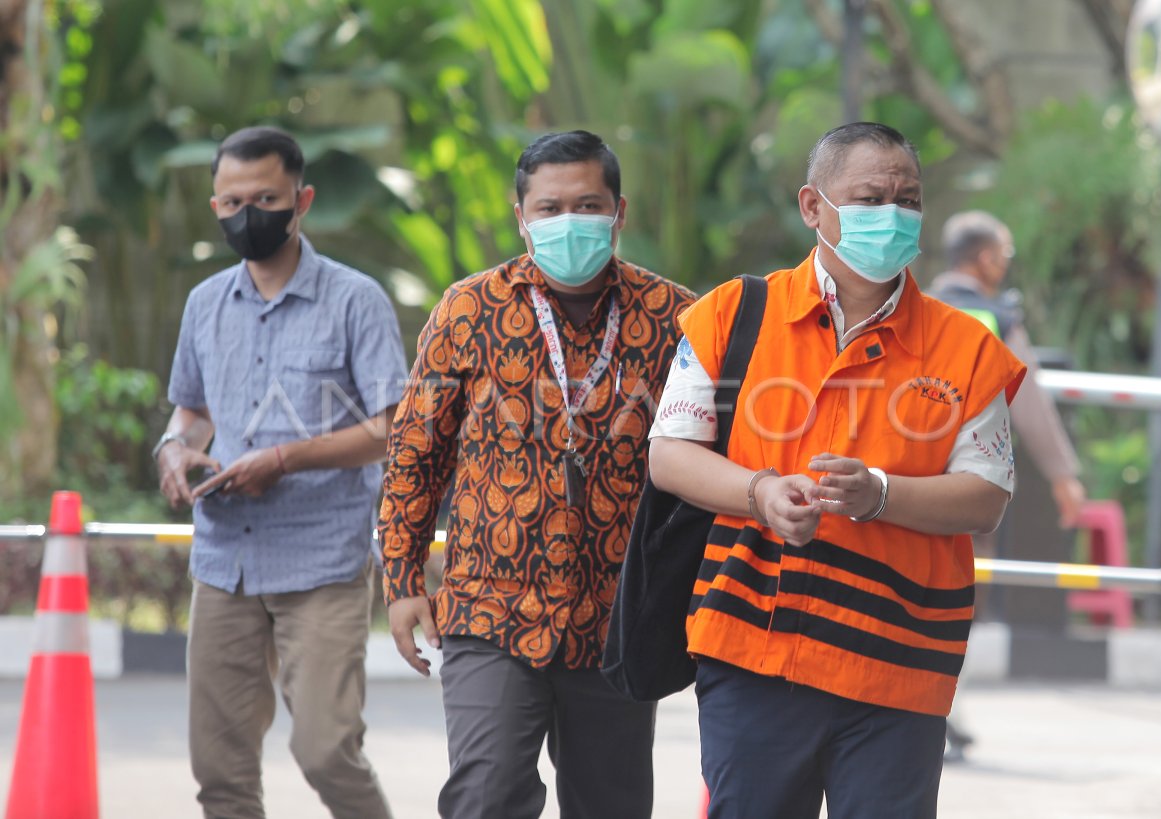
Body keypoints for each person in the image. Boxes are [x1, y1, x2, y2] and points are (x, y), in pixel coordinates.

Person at [647, 122, 1027, 818]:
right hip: (754, 652)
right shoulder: (732, 313)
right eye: (870, 198)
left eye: (908, 199)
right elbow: (670, 452)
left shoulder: (967, 348)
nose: (893, 215)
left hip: (902, 666)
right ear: (812, 206)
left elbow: (986, 496)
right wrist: (761, 493)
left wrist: (879, 494)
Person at [378, 129, 695, 819]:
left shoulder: (676, 317)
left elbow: (703, 465)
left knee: (611, 806)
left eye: (588, 205)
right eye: (550, 208)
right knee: (486, 794)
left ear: (619, 212)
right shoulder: (468, 309)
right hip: (490, 606)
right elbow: (415, 453)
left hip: (615, 616)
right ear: (521, 216)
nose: (569, 222)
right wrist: (402, 581)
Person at [154, 125, 403, 819]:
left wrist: (286, 458)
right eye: (232, 202)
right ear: (215, 207)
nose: (248, 214)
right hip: (223, 562)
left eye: (266, 198)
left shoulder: (356, 300)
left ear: (302, 200)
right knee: (220, 772)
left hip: (320, 564)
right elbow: (192, 410)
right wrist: (174, 450)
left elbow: (393, 429)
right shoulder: (205, 303)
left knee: (326, 751)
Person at [928, 209, 1089, 761]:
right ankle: (945, 704)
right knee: (963, 592)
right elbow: (1029, 400)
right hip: (971, 484)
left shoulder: (915, 305)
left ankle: (925, 701)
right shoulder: (996, 316)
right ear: (986, 259)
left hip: (907, 479)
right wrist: (1064, 475)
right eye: (1006, 254)